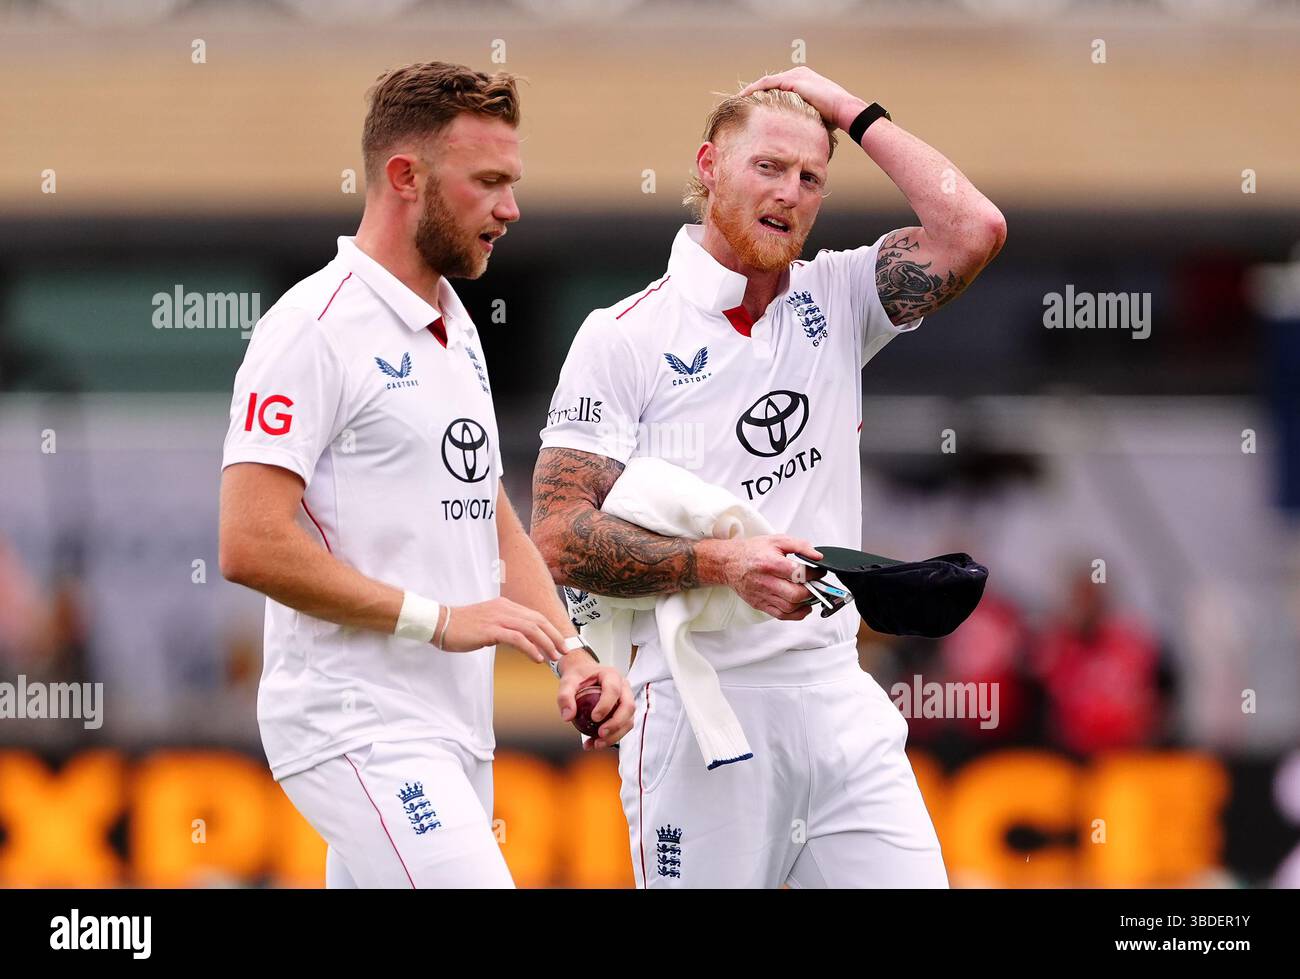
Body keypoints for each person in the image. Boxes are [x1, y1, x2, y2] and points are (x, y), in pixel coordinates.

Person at [531, 67, 1005, 887]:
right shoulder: (623, 336)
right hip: (697, 704)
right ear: (709, 166)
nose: (790, 192)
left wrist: (852, 110)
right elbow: (559, 533)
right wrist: (720, 565)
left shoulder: (840, 293)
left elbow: (974, 227)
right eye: (768, 167)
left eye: (812, 176)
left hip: (835, 693)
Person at [218, 61, 633, 889]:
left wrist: (573, 654)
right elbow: (249, 543)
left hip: (451, 730)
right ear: (405, 177)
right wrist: (438, 619)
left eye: (512, 183)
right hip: (355, 725)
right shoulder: (311, 326)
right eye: (488, 182)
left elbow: (491, 516)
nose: (510, 209)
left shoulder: (455, 322)